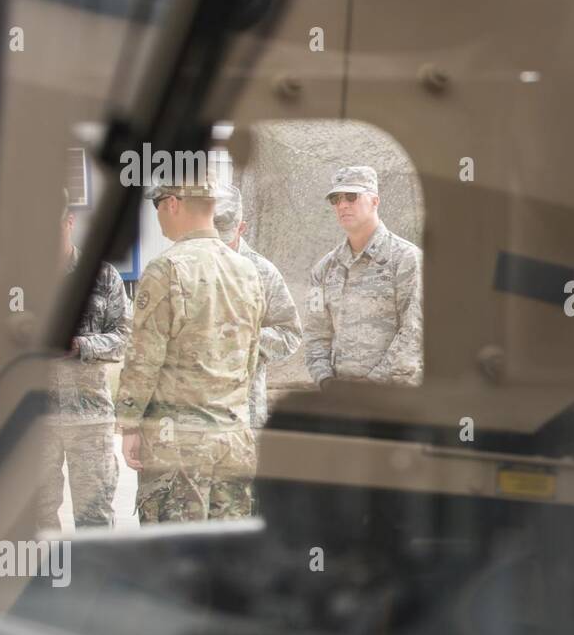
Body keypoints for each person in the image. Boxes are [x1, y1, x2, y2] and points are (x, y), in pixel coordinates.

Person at [116, 176, 265, 523]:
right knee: (226, 557)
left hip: (178, 446)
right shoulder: (246, 271)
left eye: (157, 206)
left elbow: (143, 357)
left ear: (172, 204)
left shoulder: (166, 269)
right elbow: (251, 356)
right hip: (234, 440)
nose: (157, 215)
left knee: (173, 557)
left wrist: (128, 424)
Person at [32, 196, 132, 533]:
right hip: (36, 419)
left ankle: (97, 585)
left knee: (95, 518)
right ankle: (45, 582)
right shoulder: (19, 278)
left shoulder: (102, 276)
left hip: (90, 421)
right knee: (37, 519)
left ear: (69, 222)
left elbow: (124, 337)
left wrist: (82, 346)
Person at [303, 165, 423, 387]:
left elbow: (415, 331)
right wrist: (326, 381)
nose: (342, 205)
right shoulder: (323, 270)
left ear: (375, 201)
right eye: (336, 199)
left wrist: (372, 385)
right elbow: (315, 335)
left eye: (351, 196)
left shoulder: (407, 259)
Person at [212, 182, 302, 428]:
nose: (218, 247)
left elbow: (290, 335)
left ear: (241, 228)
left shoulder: (263, 272)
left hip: (244, 413)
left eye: (225, 239)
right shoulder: (187, 266)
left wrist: (247, 335)